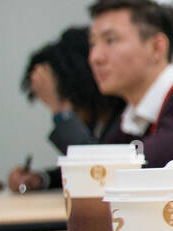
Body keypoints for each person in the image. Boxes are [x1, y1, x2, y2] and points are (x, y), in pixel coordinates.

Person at [14, 0, 173, 189]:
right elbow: (104, 164)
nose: (95, 57)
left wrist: (62, 110)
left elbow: (121, 176)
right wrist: (43, 180)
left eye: (111, 40)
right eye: (94, 43)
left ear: (157, 47)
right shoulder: (131, 115)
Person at [7, 26, 124, 190]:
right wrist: (41, 179)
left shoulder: (127, 118)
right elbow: (83, 174)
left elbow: (100, 172)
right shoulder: (101, 121)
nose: (74, 117)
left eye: (70, 104)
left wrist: (61, 111)